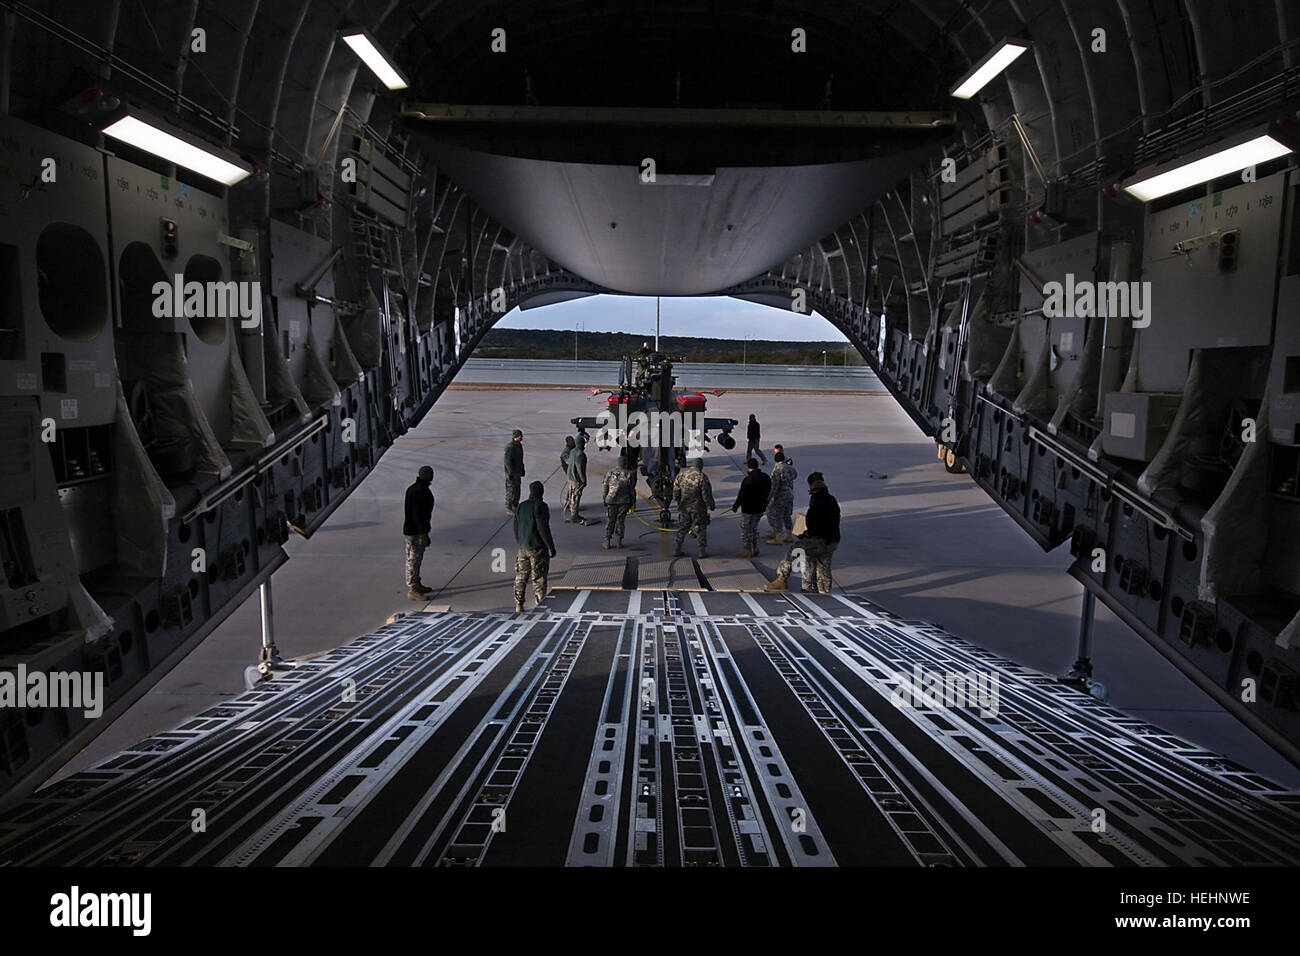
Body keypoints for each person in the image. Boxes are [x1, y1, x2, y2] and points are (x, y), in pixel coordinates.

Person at [765, 472, 839, 594]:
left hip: (819, 539)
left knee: (794, 552)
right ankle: (824, 593)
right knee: (822, 567)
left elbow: (816, 523)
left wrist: (806, 534)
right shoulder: (830, 499)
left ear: (813, 486)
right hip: (832, 540)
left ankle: (782, 579)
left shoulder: (818, 500)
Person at [513, 480, 557, 612]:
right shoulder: (541, 506)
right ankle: (540, 605)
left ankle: (519, 604)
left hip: (523, 548)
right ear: (541, 492)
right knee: (539, 578)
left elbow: (516, 526)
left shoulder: (521, 506)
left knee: (521, 576)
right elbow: (543, 528)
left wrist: (520, 542)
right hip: (537, 548)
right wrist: (550, 546)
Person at [672, 457, 715, 558]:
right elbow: (706, 495)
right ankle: (701, 551)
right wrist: (711, 506)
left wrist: (678, 501)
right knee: (701, 528)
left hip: (684, 507)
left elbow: (676, 490)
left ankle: (677, 549)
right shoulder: (702, 477)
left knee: (683, 528)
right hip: (698, 508)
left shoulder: (681, 475)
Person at [403, 465, 435, 599]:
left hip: (415, 530)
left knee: (417, 559)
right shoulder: (420, 491)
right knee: (413, 559)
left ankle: (416, 583)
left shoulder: (415, 488)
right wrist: (423, 533)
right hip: (415, 531)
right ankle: (412, 589)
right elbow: (417, 514)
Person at [731, 458, 771, 558]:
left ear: (749, 467)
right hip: (760, 508)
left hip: (749, 509)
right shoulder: (766, 477)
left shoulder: (748, 480)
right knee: (754, 528)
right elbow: (769, 491)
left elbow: (742, 495)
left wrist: (735, 506)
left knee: (746, 530)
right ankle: (755, 546)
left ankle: (747, 550)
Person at [602, 452, 636, 549]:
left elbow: (605, 487)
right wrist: (633, 502)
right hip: (624, 501)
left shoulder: (609, 473)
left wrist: (604, 498)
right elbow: (632, 490)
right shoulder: (629, 474)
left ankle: (607, 541)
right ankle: (619, 542)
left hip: (611, 500)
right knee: (620, 521)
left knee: (610, 520)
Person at [764, 450, 797, 544]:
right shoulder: (790, 468)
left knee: (777, 515)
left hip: (780, 495)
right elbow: (795, 476)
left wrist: (769, 497)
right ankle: (789, 535)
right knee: (787, 515)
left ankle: (778, 537)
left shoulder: (777, 470)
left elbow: (775, 486)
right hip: (790, 494)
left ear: (775, 460)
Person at [566, 434, 588, 522]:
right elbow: (580, 469)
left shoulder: (573, 451)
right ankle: (574, 516)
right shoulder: (580, 454)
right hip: (576, 479)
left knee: (572, 496)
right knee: (576, 497)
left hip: (570, 477)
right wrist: (584, 480)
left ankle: (574, 514)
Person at [504, 429, 525, 516]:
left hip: (517, 473)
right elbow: (507, 462)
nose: (522, 437)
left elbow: (520, 460)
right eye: (520, 436)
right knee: (511, 491)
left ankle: (515, 506)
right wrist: (510, 473)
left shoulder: (519, 446)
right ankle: (509, 508)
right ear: (516, 437)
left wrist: (522, 470)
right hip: (512, 474)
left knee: (517, 491)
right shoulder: (511, 447)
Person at [560, 435, 576, 517]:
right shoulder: (566, 452)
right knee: (572, 488)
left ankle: (569, 502)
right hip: (569, 472)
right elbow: (568, 461)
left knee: (573, 488)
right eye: (572, 441)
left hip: (573, 471)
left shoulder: (573, 449)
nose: (573, 442)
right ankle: (569, 503)